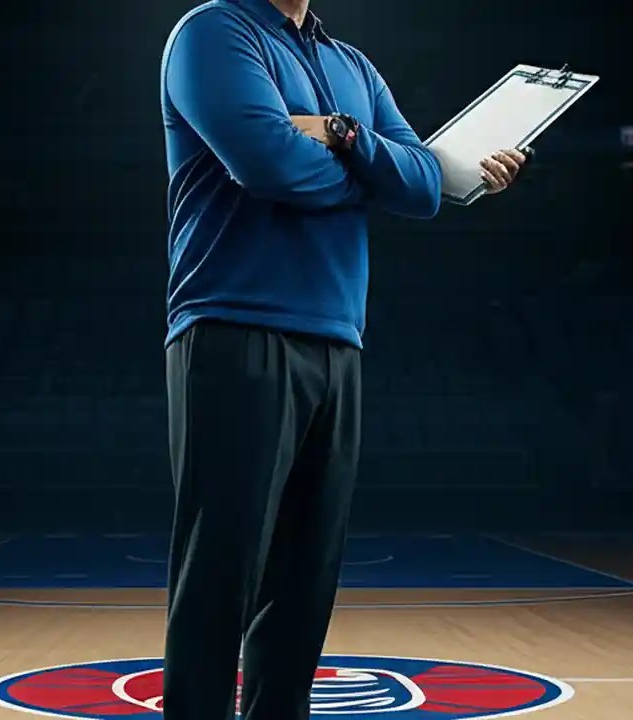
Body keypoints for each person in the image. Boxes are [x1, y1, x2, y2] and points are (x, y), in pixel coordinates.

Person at [159, 1, 526, 719]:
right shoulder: (211, 32)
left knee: (303, 586)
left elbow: (424, 189)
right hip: (233, 325)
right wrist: (370, 174)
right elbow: (268, 166)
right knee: (220, 580)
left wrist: (340, 136)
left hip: (338, 336)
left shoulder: (351, 64)